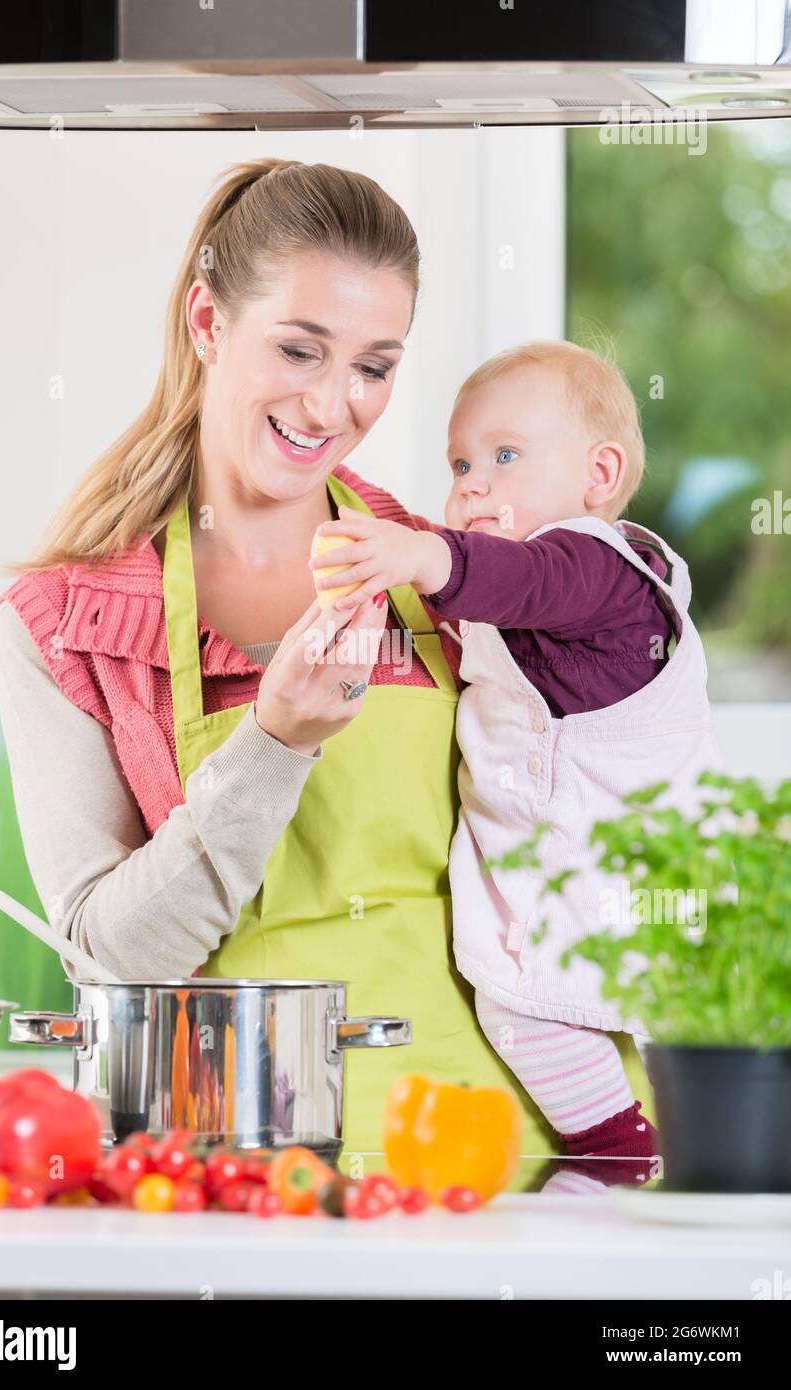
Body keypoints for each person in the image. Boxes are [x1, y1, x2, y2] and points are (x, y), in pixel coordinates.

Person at [0, 164, 654, 1176]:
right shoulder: (66, 622)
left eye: (373, 366)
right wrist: (270, 744)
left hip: (516, 1161)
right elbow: (111, 957)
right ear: (208, 321)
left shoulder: (439, 567)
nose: (332, 403)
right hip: (247, 1174)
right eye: (300, 349)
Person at [310, 340, 720, 1183]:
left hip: (629, 865)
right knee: (513, 1001)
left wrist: (425, 554)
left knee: (682, 1024)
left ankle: (671, 1154)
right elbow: (491, 607)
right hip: (566, 872)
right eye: (460, 462)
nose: (472, 484)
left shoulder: (600, 568)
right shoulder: (509, 590)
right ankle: (614, 1143)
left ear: (598, 476)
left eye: (504, 456)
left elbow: (525, 581)